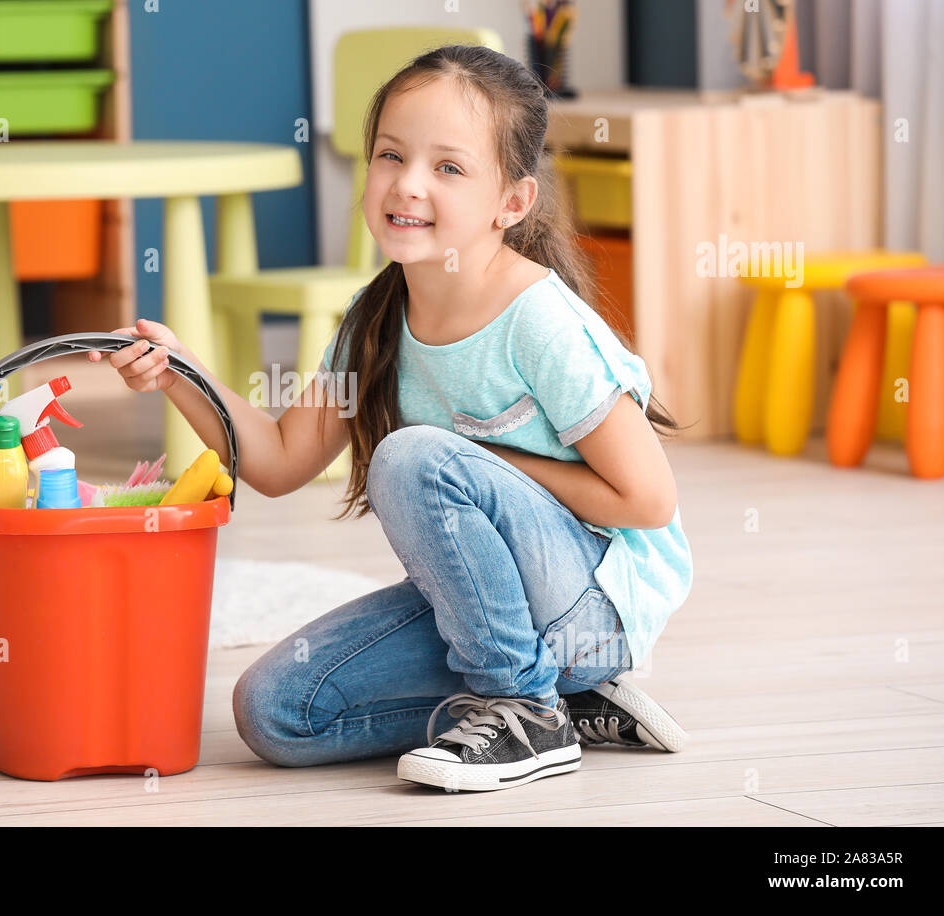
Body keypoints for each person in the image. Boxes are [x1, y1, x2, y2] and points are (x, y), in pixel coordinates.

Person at [87, 45, 693, 792]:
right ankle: (558, 696)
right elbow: (278, 461)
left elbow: (648, 501)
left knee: (409, 456)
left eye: (449, 167)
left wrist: (477, 459)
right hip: (497, 610)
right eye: (390, 155)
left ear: (512, 202)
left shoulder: (539, 322)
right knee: (276, 711)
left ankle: (525, 710)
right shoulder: (375, 318)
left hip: (590, 605)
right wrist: (180, 373)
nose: (407, 184)